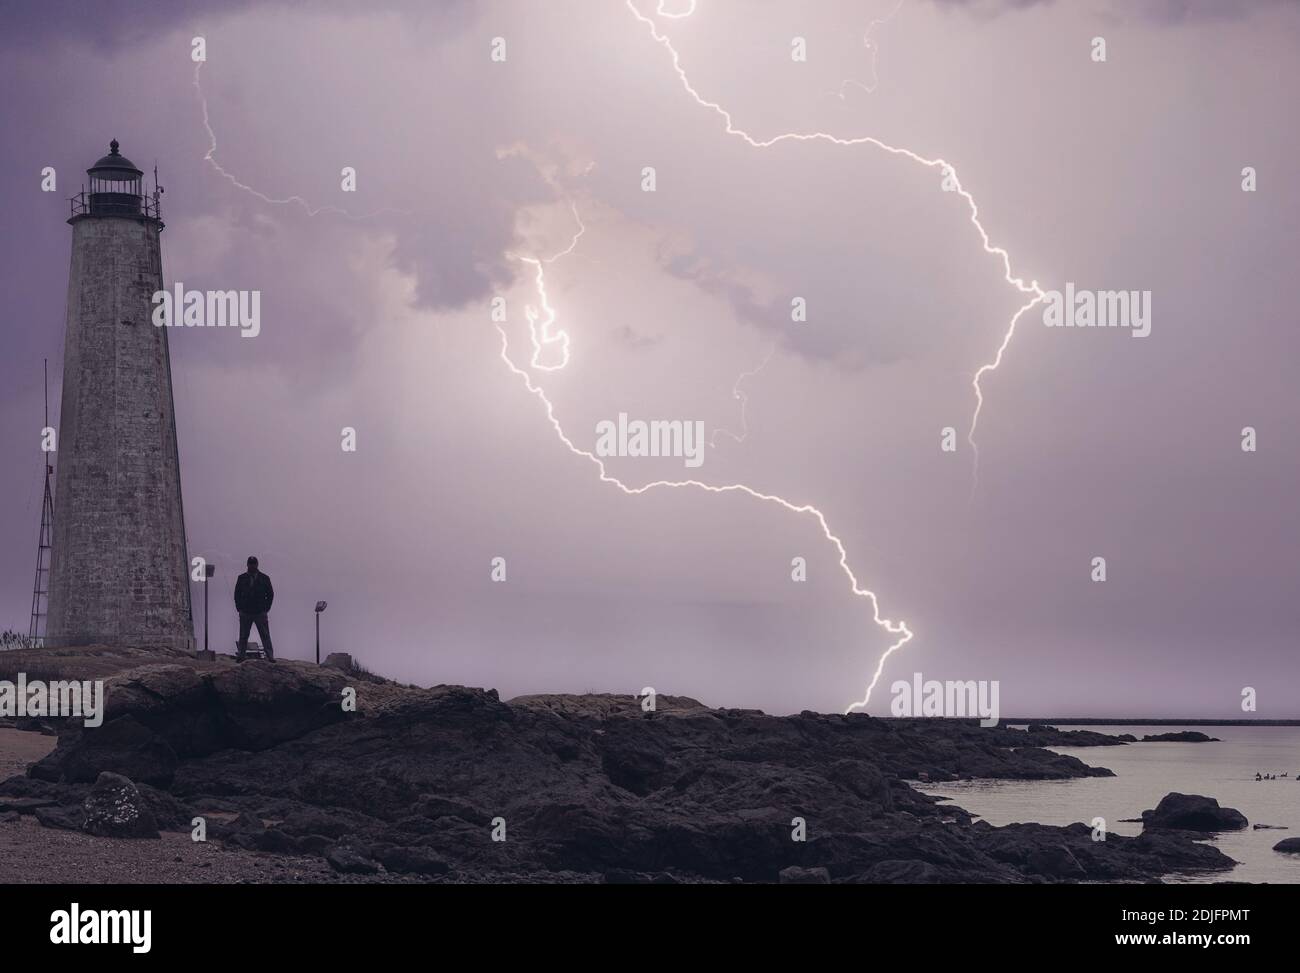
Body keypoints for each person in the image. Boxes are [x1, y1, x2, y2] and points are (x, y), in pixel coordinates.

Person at [234, 556, 275, 662]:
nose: (252, 566)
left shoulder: (264, 578)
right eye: (250, 563)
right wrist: (239, 608)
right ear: (247, 564)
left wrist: (266, 608)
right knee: (243, 636)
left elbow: (270, 594)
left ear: (257, 564)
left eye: (253, 563)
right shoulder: (241, 578)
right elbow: (237, 594)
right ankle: (241, 656)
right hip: (246, 612)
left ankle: (270, 656)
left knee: (265, 635)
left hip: (260, 612)